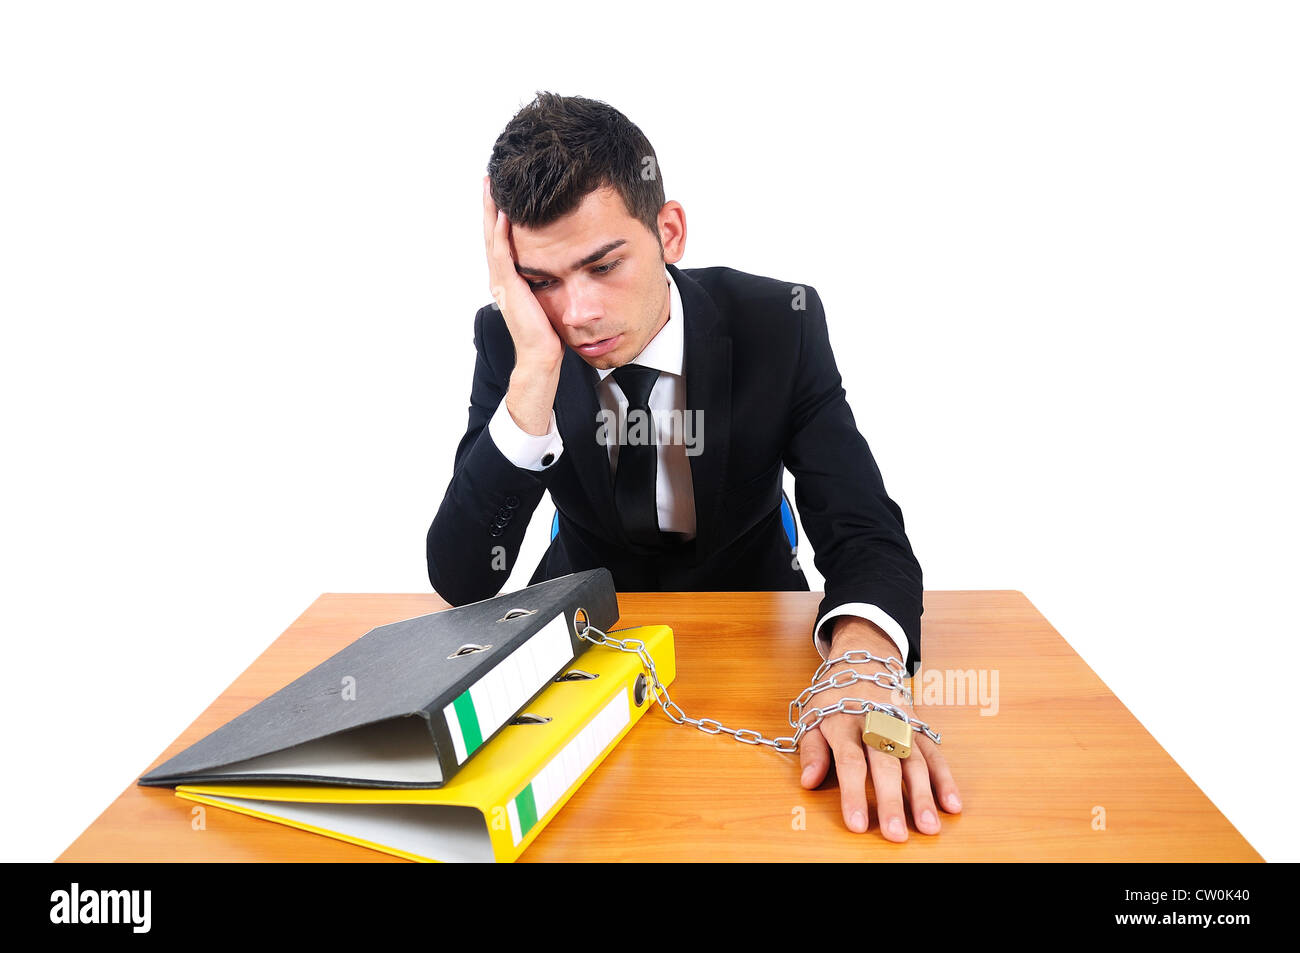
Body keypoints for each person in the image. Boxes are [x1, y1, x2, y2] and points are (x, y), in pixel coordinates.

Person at [426, 91, 961, 841]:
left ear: (668, 231)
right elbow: (463, 575)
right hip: (586, 639)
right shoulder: (514, 341)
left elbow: (864, 529)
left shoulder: (783, 322)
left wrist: (863, 667)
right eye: (541, 280)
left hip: (757, 626)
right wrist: (532, 377)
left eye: (603, 265)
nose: (576, 311)